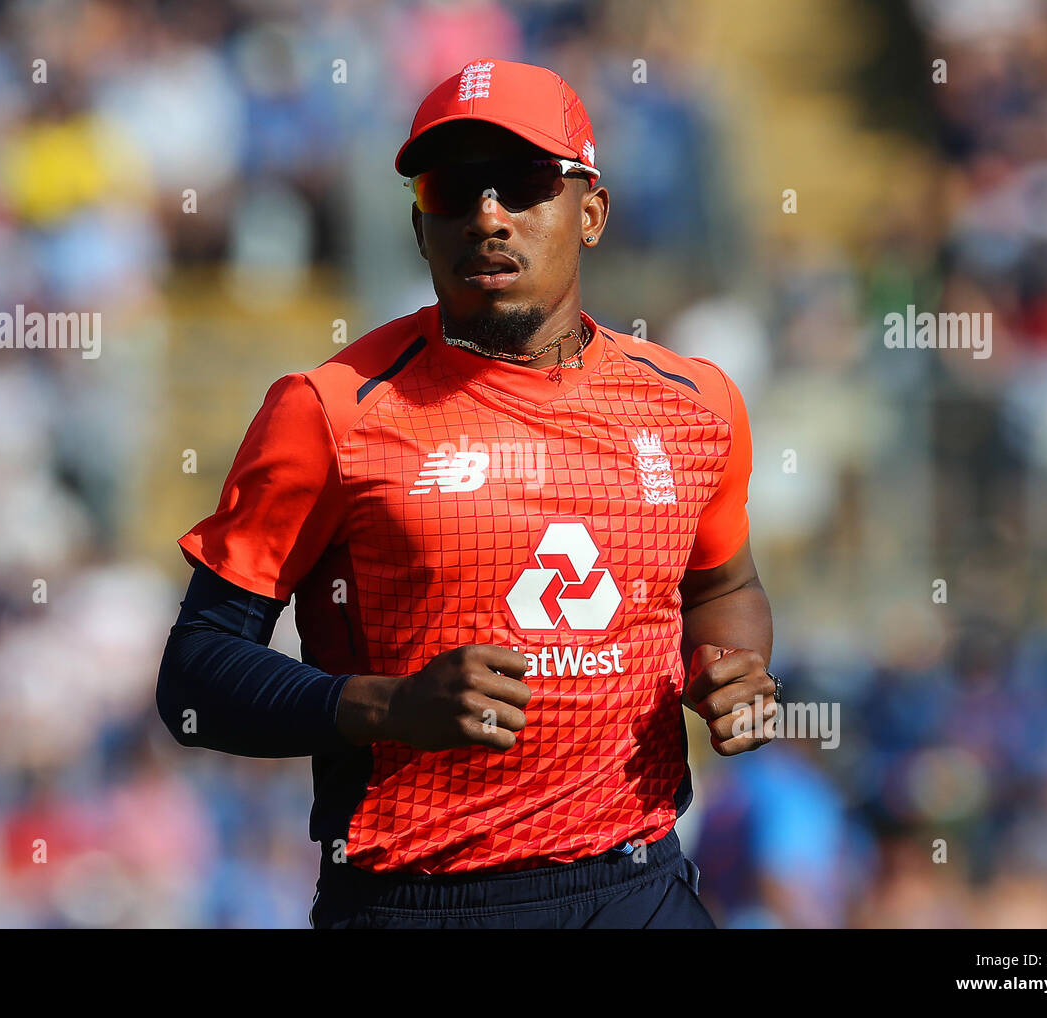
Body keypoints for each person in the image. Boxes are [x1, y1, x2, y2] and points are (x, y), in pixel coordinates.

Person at [157, 57, 777, 929]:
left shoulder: (695, 404)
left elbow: (724, 587)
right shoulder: (329, 410)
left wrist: (730, 670)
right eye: (453, 189)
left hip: (639, 887)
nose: (488, 216)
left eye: (523, 184)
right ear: (420, 229)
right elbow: (193, 679)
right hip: (417, 901)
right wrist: (391, 706)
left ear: (590, 212)